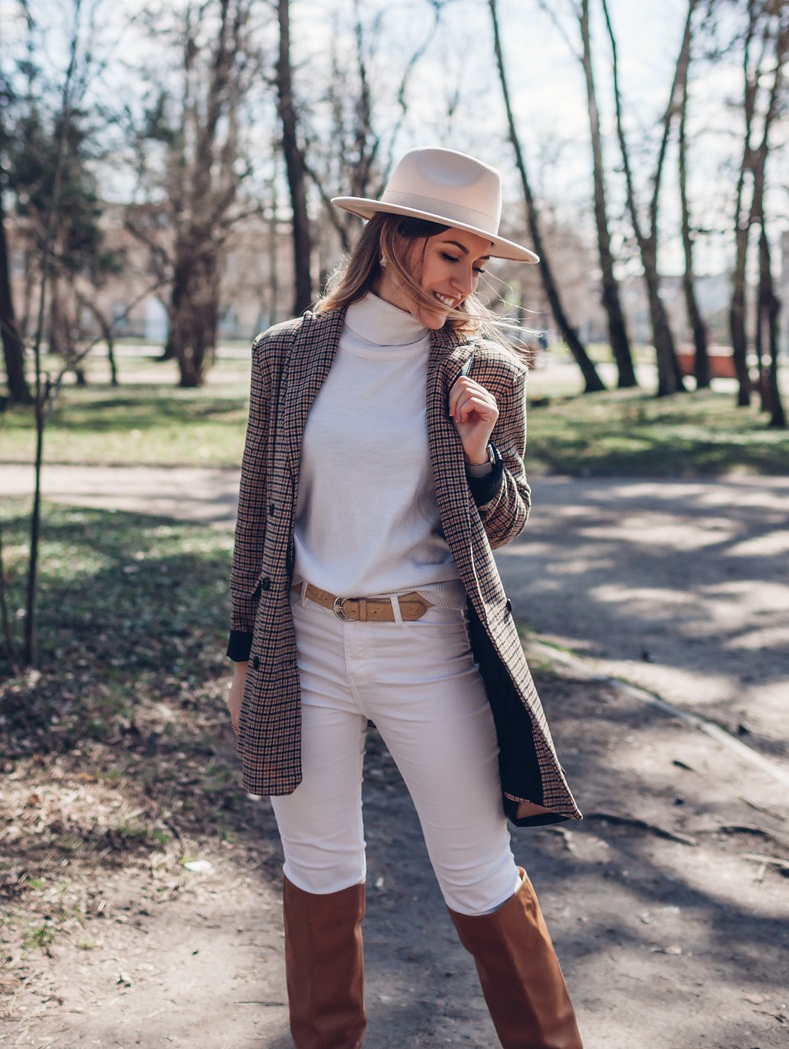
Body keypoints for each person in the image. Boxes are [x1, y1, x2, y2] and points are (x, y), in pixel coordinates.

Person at [227, 147, 583, 1049]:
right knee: (316, 866)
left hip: (425, 646)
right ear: (394, 237)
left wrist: (477, 452)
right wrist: (241, 653)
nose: (464, 281)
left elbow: (504, 523)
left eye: (477, 262)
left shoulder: (484, 372)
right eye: (449, 254)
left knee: (477, 872)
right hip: (303, 642)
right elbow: (258, 512)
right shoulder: (289, 355)